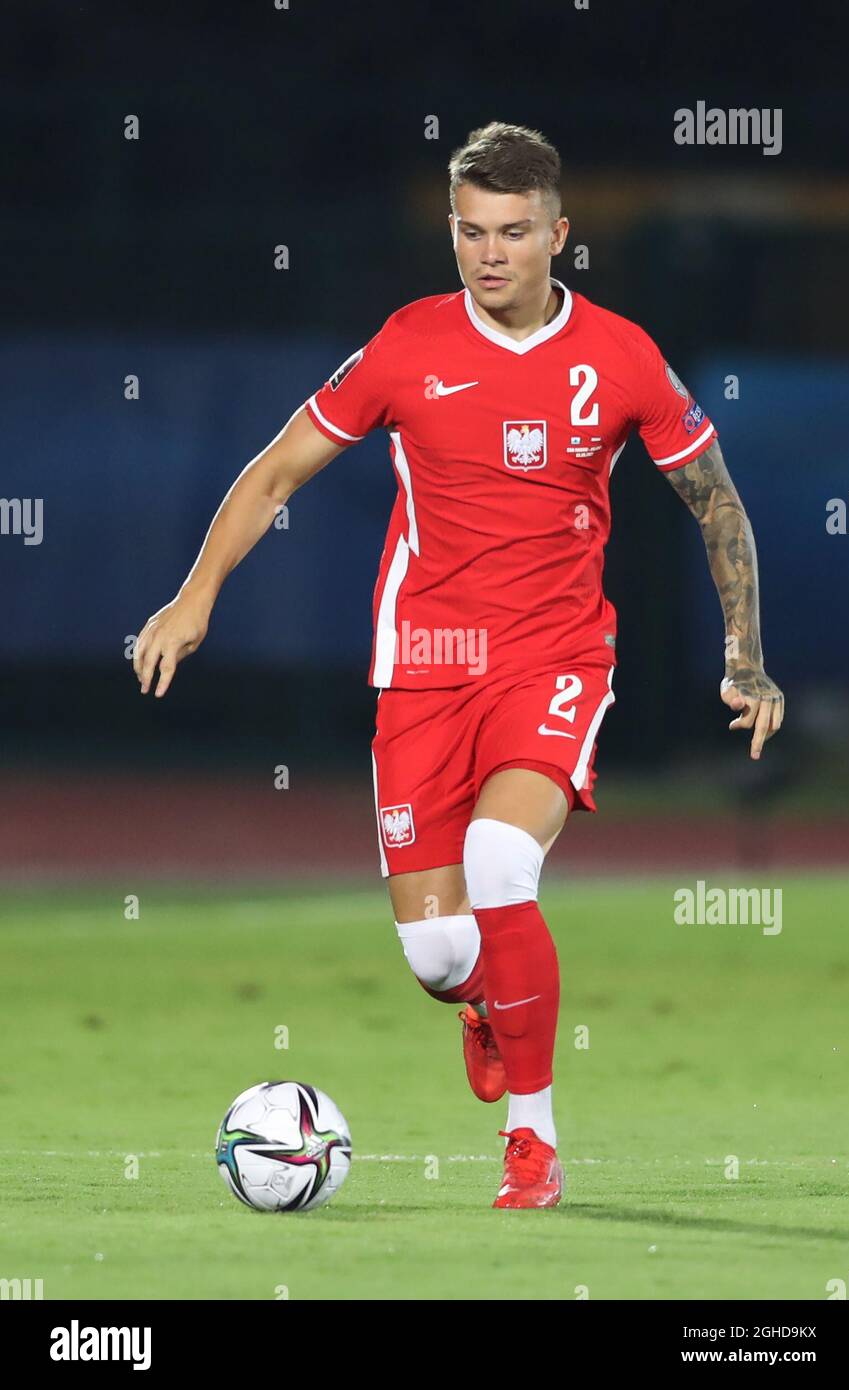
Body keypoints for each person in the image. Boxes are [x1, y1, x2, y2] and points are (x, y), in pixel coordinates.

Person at [133, 121, 784, 1209]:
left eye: (514, 232)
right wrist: (196, 595)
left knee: (498, 865)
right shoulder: (403, 347)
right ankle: (489, 1002)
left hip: (553, 659)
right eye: (471, 232)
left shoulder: (619, 356)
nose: (491, 254)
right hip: (425, 664)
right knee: (440, 956)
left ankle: (531, 1141)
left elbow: (714, 497)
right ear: (451, 232)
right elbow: (274, 470)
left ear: (556, 235)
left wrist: (745, 658)